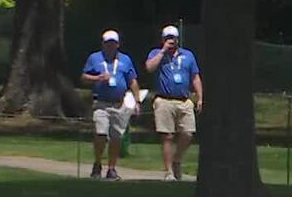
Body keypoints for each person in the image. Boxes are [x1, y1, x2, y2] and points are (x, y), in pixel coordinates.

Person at [144, 25, 203, 181]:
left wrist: (200, 97)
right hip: (164, 100)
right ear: (162, 39)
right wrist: (163, 51)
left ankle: (177, 160)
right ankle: (169, 171)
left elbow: (195, 77)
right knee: (167, 136)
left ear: (178, 39)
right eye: (167, 38)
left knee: (188, 133)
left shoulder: (188, 55)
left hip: (184, 100)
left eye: (173, 38)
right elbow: (149, 68)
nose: (171, 41)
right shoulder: (156, 53)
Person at [80, 30, 141, 181]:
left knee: (116, 137)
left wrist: (137, 101)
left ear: (118, 44)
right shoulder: (95, 58)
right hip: (101, 103)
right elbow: (83, 77)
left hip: (119, 104)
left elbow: (132, 81)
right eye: (108, 43)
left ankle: (112, 168)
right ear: (103, 44)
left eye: (113, 43)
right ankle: (97, 163)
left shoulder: (125, 60)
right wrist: (98, 78)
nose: (110, 46)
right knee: (100, 133)